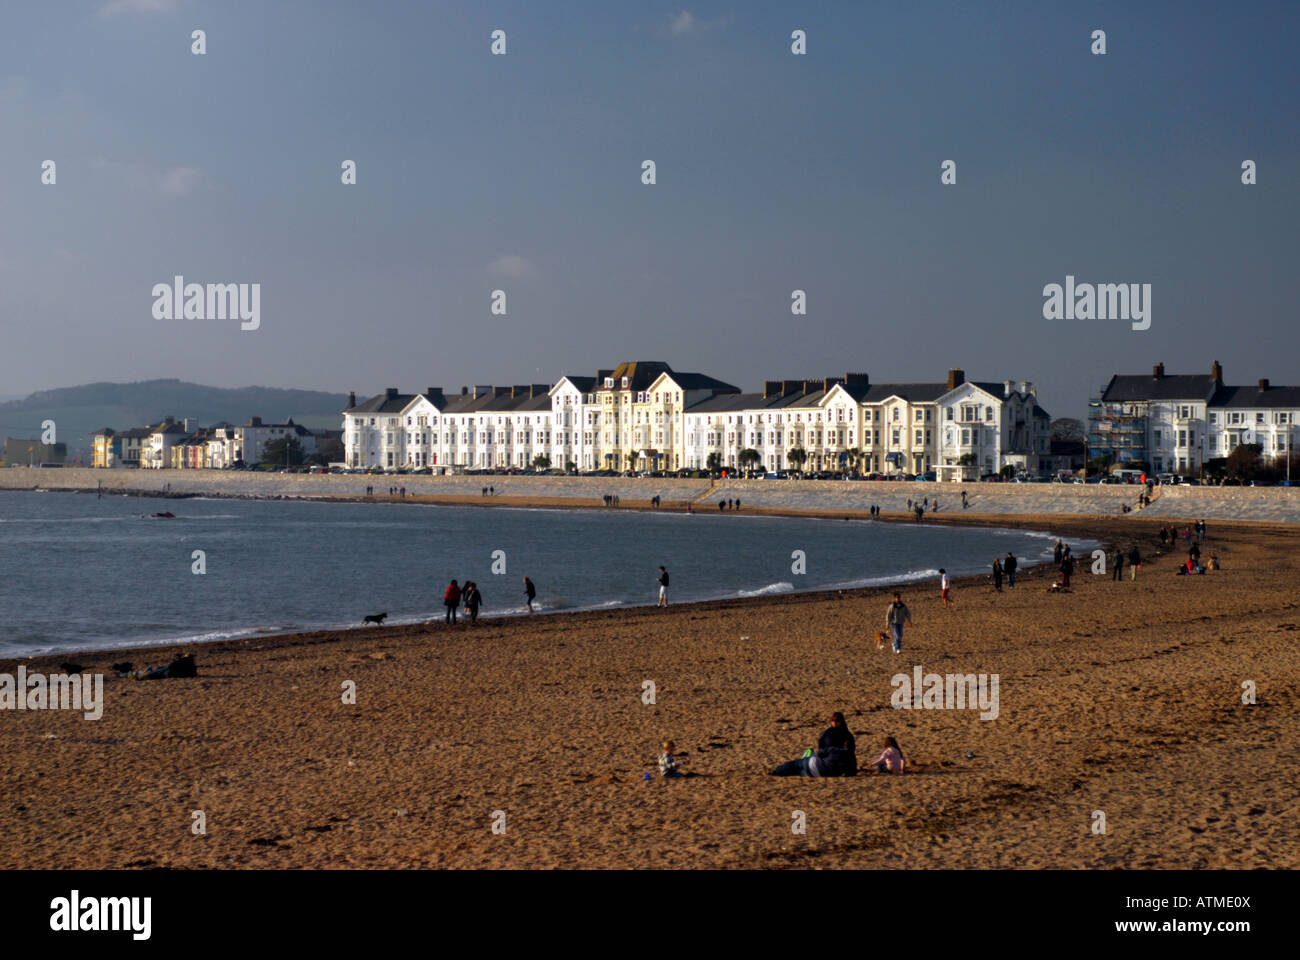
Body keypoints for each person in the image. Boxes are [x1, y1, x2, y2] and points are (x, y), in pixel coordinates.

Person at [769, 712, 857, 777]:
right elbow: (852, 769)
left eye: (837, 721)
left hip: (815, 765)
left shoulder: (832, 746)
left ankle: (775, 772)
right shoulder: (849, 752)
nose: (834, 723)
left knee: (795, 765)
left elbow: (821, 751)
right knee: (798, 770)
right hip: (824, 772)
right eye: (833, 720)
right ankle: (778, 772)